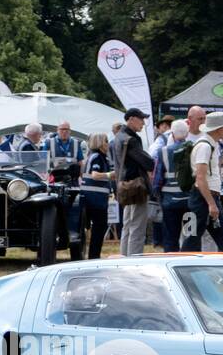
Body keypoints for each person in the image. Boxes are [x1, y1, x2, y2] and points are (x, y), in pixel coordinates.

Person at [181, 111, 223, 253]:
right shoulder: (205, 146)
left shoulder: (211, 144)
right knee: (192, 239)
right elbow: (200, 177)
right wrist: (211, 204)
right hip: (204, 198)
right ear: (218, 129)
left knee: (221, 237)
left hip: (205, 197)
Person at [110, 108, 155, 256]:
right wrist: (155, 162)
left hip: (123, 185)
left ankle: (124, 257)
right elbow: (148, 162)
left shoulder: (118, 137)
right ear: (131, 119)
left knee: (127, 226)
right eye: (141, 119)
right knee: (137, 227)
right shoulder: (131, 139)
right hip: (136, 186)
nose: (143, 122)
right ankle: (134, 260)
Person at [153, 120, 191, 253]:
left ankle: (171, 262)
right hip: (190, 202)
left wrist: (158, 195)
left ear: (172, 133)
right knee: (190, 235)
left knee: (170, 237)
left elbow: (158, 178)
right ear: (187, 133)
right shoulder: (194, 148)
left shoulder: (163, 151)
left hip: (170, 203)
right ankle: (190, 263)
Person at [45, 121, 84, 243]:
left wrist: (82, 179)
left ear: (70, 131)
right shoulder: (48, 143)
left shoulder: (76, 143)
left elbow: (80, 163)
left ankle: (72, 233)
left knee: (74, 207)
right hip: (53, 181)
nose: (64, 131)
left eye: (67, 129)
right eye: (62, 129)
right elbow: (42, 160)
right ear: (57, 130)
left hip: (71, 181)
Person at [79, 132, 114, 259]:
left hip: (95, 199)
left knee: (97, 228)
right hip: (94, 200)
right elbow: (95, 175)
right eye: (105, 141)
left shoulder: (95, 156)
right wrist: (111, 175)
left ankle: (94, 255)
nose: (108, 144)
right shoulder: (97, 157)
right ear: (99, 143)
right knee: (99, 228)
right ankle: (94, 256)